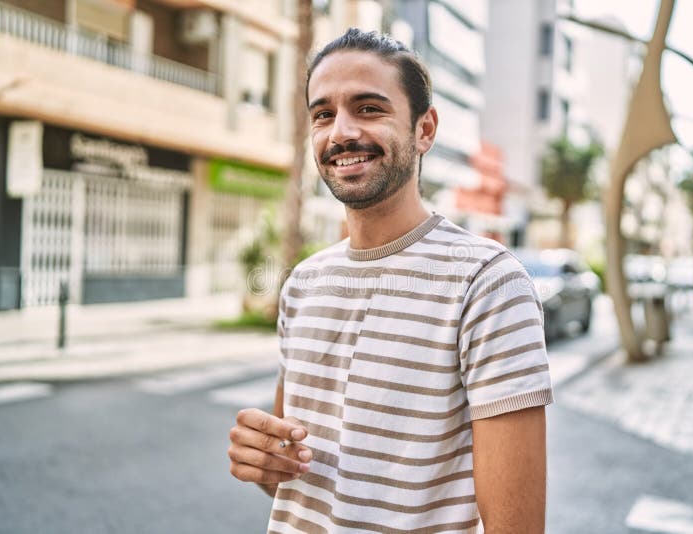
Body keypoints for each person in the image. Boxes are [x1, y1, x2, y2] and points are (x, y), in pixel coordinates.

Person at [228, 28, 553, 533]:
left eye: (369, 108)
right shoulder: (304, 283)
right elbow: (294, 477)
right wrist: (264, 460)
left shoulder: (488, 284)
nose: (340, 133)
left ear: (425, 130)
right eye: (322, 114)